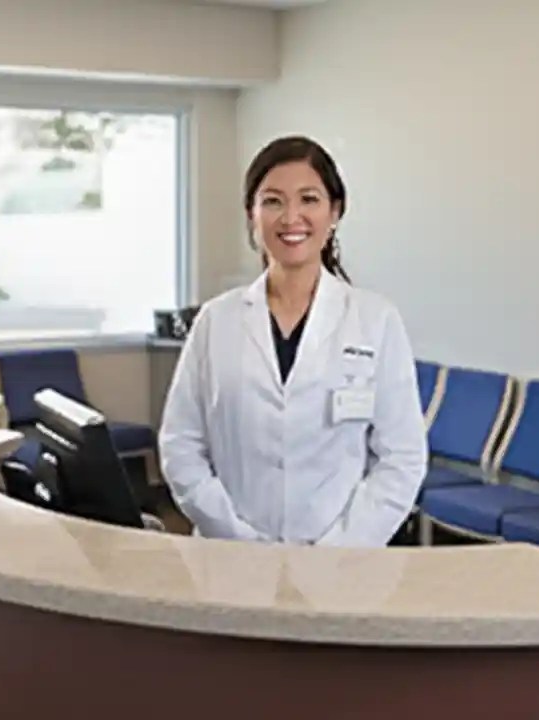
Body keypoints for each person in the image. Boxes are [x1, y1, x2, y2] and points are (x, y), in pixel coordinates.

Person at [158, 135, 427, 547]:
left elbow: (401, 458)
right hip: (230, 554)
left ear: (334, 212)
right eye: (273, 201)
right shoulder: (216, 321)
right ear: (252, 214)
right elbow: (181, 446)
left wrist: (338, 550)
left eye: (309, 199)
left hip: (341, 561)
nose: (291, 217)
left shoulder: (376, 320)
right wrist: (235, 536)